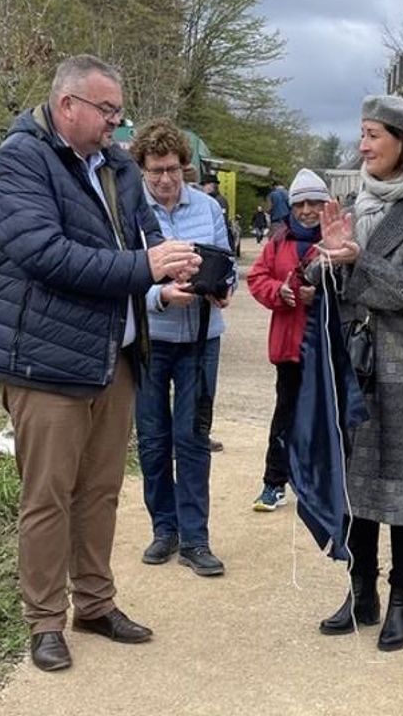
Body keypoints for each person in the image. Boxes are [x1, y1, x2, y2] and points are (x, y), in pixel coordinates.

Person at [0, 54, 201, 672]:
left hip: (115, 357)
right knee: (47, 497)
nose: (116, 121)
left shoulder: (117, 167)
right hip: (45, 363)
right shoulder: (20, 160)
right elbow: (46, 255)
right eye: (106, 111)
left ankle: (95, 604)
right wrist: (144, 270)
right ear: (66, 105)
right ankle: (45, 621)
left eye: (118, 111)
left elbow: (141, 239)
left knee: (101, 492)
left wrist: (166, 278)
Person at [312, 94, 403, 651]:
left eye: (374, 134)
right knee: (357, 484)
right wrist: (319, 264)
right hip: (358, 363)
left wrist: (356, 259)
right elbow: (332, 271)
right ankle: (361, 592)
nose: (364, 145)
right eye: (362, 133)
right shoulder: (356, 200)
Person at [130, 119, 234, 576]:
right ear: (142, 171)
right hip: (152, 339)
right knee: (153, 440)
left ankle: (195, 538)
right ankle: (164, 529)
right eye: (155, 171)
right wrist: (160, 295)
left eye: (172, 169)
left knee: (192, 438)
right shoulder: (131, 212)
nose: (165, 180)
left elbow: (226, 261)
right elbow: (125, 276)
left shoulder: (208, 208)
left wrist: (222, 285)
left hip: (199, 338)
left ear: (184, 167)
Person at [246, 169, 330, 511]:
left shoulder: (338, 241)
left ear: (326, 205)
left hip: (325, 345)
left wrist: (321, 295)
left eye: (315, 203)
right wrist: (279, 292)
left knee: (323, 417)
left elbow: (353, 284)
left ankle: (316, 484)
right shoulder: (278, 241)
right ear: (291, 207)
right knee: (286, 415)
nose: (308, 210)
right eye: (301, 204)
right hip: (289, 346)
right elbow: (257, 278)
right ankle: (274, 482)